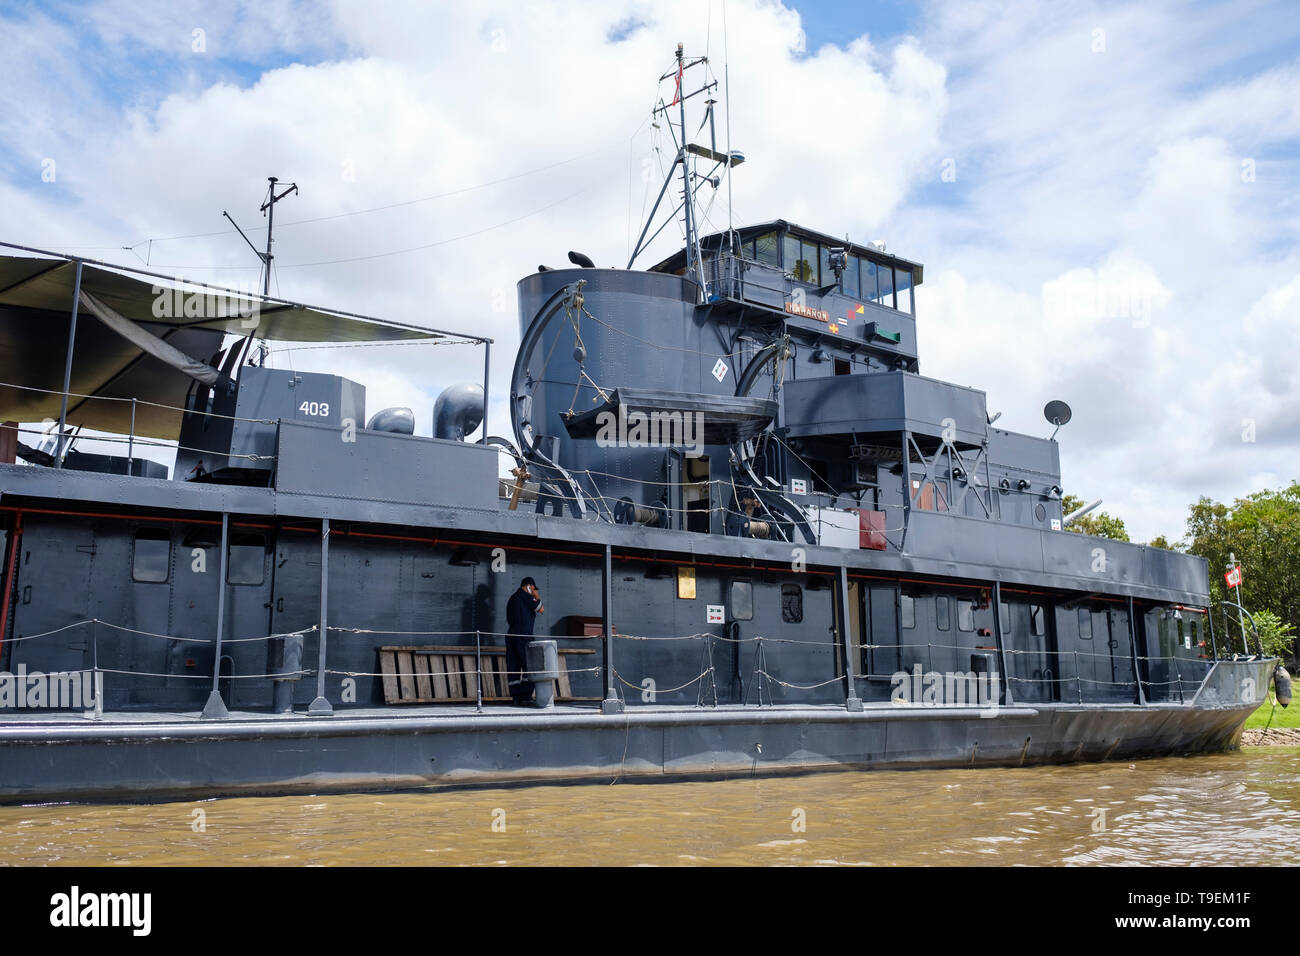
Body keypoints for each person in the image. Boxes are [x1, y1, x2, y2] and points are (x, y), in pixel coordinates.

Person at [505, 577, 544, 705]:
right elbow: (541, 609)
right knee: (529, 666)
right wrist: (536, 596)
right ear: (529, 586)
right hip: (524, 636)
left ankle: (516, 697)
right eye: (533, 588)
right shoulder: (526, 596)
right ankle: (526, 696)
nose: (533, 591)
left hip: (511, 635)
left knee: (514, 667)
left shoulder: (512, 598)